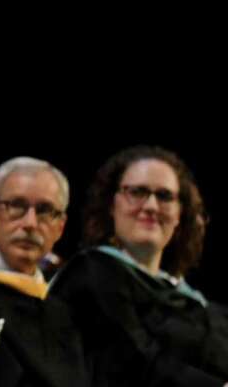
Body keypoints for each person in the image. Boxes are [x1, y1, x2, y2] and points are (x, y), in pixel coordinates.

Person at [49, 146, 228, 386]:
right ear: (112, 205)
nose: (151, 206)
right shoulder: (91, 273)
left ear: (179, 214)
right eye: (137, 192)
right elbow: (133, 359)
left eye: (165, 196)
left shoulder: (196, 303)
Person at [0, 157, 88, 386]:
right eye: (17, 206)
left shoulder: (63, 311)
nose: (30, 223)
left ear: (60, 227)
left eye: (45, 210)